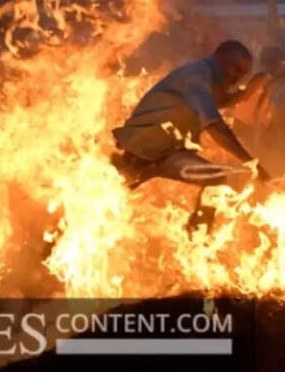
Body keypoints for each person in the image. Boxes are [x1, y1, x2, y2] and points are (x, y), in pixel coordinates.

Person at [111, 40, 272, 232]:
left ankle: (198, 237)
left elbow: (222, 101)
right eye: (236, 69)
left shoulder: (208, 79)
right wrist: (251, 163)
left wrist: (247, 93)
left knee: (215, 178)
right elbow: (215, 127)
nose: (238, 77)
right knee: (106, 197)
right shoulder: (196, 77)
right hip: (137, 152)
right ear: (220, 58)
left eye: (243, 73)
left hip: (168, 154)